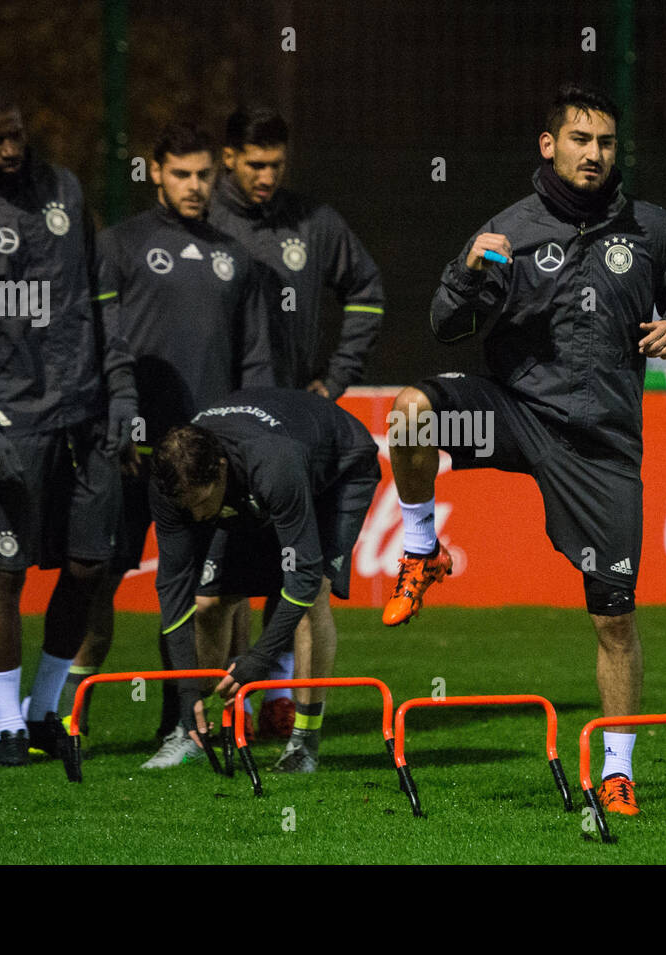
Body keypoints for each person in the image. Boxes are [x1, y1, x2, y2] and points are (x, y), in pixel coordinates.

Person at [382, 82, 666, 817]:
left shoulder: (649, 230)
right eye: (580, 140)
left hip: (599, 445)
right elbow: (445, 325)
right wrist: (471, 275)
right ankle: (419, 546)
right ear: (549, 145)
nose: (594, 154)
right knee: (409, 414)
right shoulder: (507, 230)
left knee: (614, 618)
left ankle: (618, 769)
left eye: (604, 143)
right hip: (515, 411)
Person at [0, 80, 136, 766]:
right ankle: (7, 723)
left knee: (89, 564)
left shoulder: (65, 190)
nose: (11, 149)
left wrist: (123, 394)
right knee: (3, 571)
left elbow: (105, 303)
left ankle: (45, 709)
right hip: (13, 425)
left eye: (17, 133)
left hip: (88, 417)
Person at [56, 122, 275, 757]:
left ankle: (185, 722)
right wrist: (114, 417)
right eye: (181, 174)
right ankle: (67, 718)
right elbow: (103, 342)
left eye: (205, 175)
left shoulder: (240, 259)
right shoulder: (119, 246)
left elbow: (256, 367)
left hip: (207, 466)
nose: (195, 186)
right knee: (96, 583)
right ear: (155, 172)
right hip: (127, 455)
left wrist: (246, 440)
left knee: (204, 598)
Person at [209, 106, 385, 738]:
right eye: (254, 163)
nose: (266, 176)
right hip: (222, 429)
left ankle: (283, 699)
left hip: (293, 434)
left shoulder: (314, 223)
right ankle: (237, 707)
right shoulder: (202, 220)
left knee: (293, 573)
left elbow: (367, 292)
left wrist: (332, 382)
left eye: (276, 165)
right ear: (227, 157)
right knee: (225, 582)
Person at [148, 388, 380, 771]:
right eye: (186, 507)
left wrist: (260, 659)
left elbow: (302, 577)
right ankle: (189, 729)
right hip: (256, 473)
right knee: (209, 603)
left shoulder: (275, 464)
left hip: (339, 469)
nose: (197, 516)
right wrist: (187, 693)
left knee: (313, 595)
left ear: (221, 468)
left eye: (203, 503)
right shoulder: (171, 484)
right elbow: (173, 587)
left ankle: (304, 744)